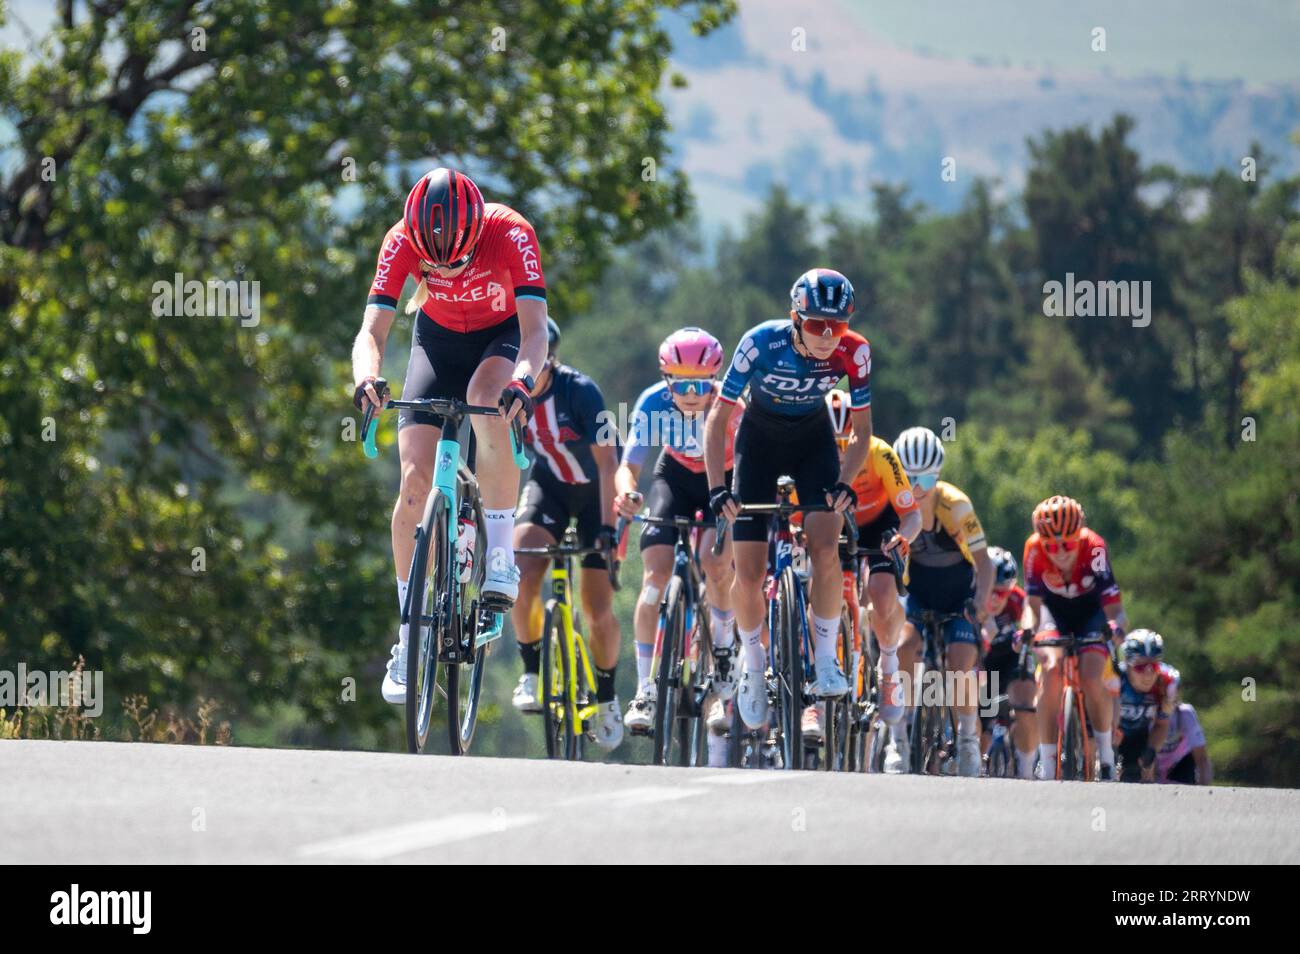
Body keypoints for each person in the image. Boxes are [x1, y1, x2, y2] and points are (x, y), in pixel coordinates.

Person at [351, 167, 549, 704]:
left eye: (456, 261)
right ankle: (410, 635)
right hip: (436, 341)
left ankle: (501, 554)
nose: (443, 269)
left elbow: (535, 333)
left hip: (500, 336)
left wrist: (524, 384)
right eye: (432, 264)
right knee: (414, 488)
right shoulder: (400, 239)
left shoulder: (511, 232)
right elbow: (371, 332)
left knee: (488, 401)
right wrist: (366, 378)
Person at [705, 268, 873, 731]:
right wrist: (718, 487)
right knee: (751, 571)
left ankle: (823, 661)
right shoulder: (760, 343)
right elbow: (719, 419)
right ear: (794, 317)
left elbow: (862, 432)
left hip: (813, 442)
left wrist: (844, 482)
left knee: (824, 548)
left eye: (835, 326)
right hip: (756, 442)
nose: (826, 336)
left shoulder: (854, 351)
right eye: (816, 324)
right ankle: (754, 666)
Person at [613, 328, 739, 733]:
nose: (690, 393)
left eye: (700, 384)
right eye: (680, 384)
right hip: (676, 476)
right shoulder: (652, 402)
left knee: (716, 564)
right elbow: (628, 467)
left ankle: (721, 657)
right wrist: (628, 494)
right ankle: (645, 688)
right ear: (666, 379)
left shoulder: (733, 405)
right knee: (654, 576)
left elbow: (756, 460)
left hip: (724, 480)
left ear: (714, 380)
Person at [508, 318, 624, 749]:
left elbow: (609, 463)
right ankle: (532, 672)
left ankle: (608, 698)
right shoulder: (509, 394)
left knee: (596, 608)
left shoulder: (581, 391)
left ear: (549, 357)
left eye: (534, 360)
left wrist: (609, 530)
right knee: (521, 569)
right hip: (550, 486)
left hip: (596, 491)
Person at [806, 390, 917, 744]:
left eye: (846, 442)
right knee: (817, 593)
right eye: (831, 443)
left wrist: (903, 538)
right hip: (832, 524)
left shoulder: (880, 453)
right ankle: (818, 687)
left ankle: (888, 666)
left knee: (883, 594)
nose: (840, 453)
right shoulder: (806, 454)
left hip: (877, 524)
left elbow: (911, 515)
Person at [882, 427, 995, 777]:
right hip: (916, 593)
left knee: (961, 662)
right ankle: (897, 740)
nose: (916, 486)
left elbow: (985, 564)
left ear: (939, 476)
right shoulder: (892, 502)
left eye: (926, 478)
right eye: (909, 475)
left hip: (958, 595)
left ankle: (966, 741)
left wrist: (979, 603)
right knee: (902, 647)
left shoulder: (956, 505)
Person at [1023, 495, 1129, 779]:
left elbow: (1115, 609)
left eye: (1067, 544)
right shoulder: (1034, 549)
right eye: (1051, 546)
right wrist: (1026, 631)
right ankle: (1046, 761)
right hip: (1052, 614)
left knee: (1092, 675)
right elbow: (1031, 608)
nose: (1058, 552)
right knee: (1050, 669)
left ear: (1079, 537)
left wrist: (1116, 628)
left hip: (1090, 615)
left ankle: (1105, 755)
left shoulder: (1094, 549)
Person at [979, 546, 1037, 779]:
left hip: (1010, 659)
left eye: (1001, 593)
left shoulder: (1016, 599)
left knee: (1025, 704)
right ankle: (974, 763)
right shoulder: (970, 598)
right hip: (983, 663)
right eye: (989, 591)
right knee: (981, 719)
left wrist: (1026, 631)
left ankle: (1026, 767)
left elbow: (1028, 617)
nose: (994, 599)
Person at [1113, 629, 1178, 782]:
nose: (1148, 673)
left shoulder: (1167, 683)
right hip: (1110, 733)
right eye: (1140, 666)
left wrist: (1151, 752)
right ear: (1127, 664)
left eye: (1154, 665)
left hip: (1139, 737)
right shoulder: (1115, 678)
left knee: (1140, 775)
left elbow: (1162, 724)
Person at [1157, 701, 1212, 785]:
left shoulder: (1185, 713)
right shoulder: (1146, 712)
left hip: (1179, 766)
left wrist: (1203, 791)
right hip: (1154, 765)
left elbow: (1202, 758)